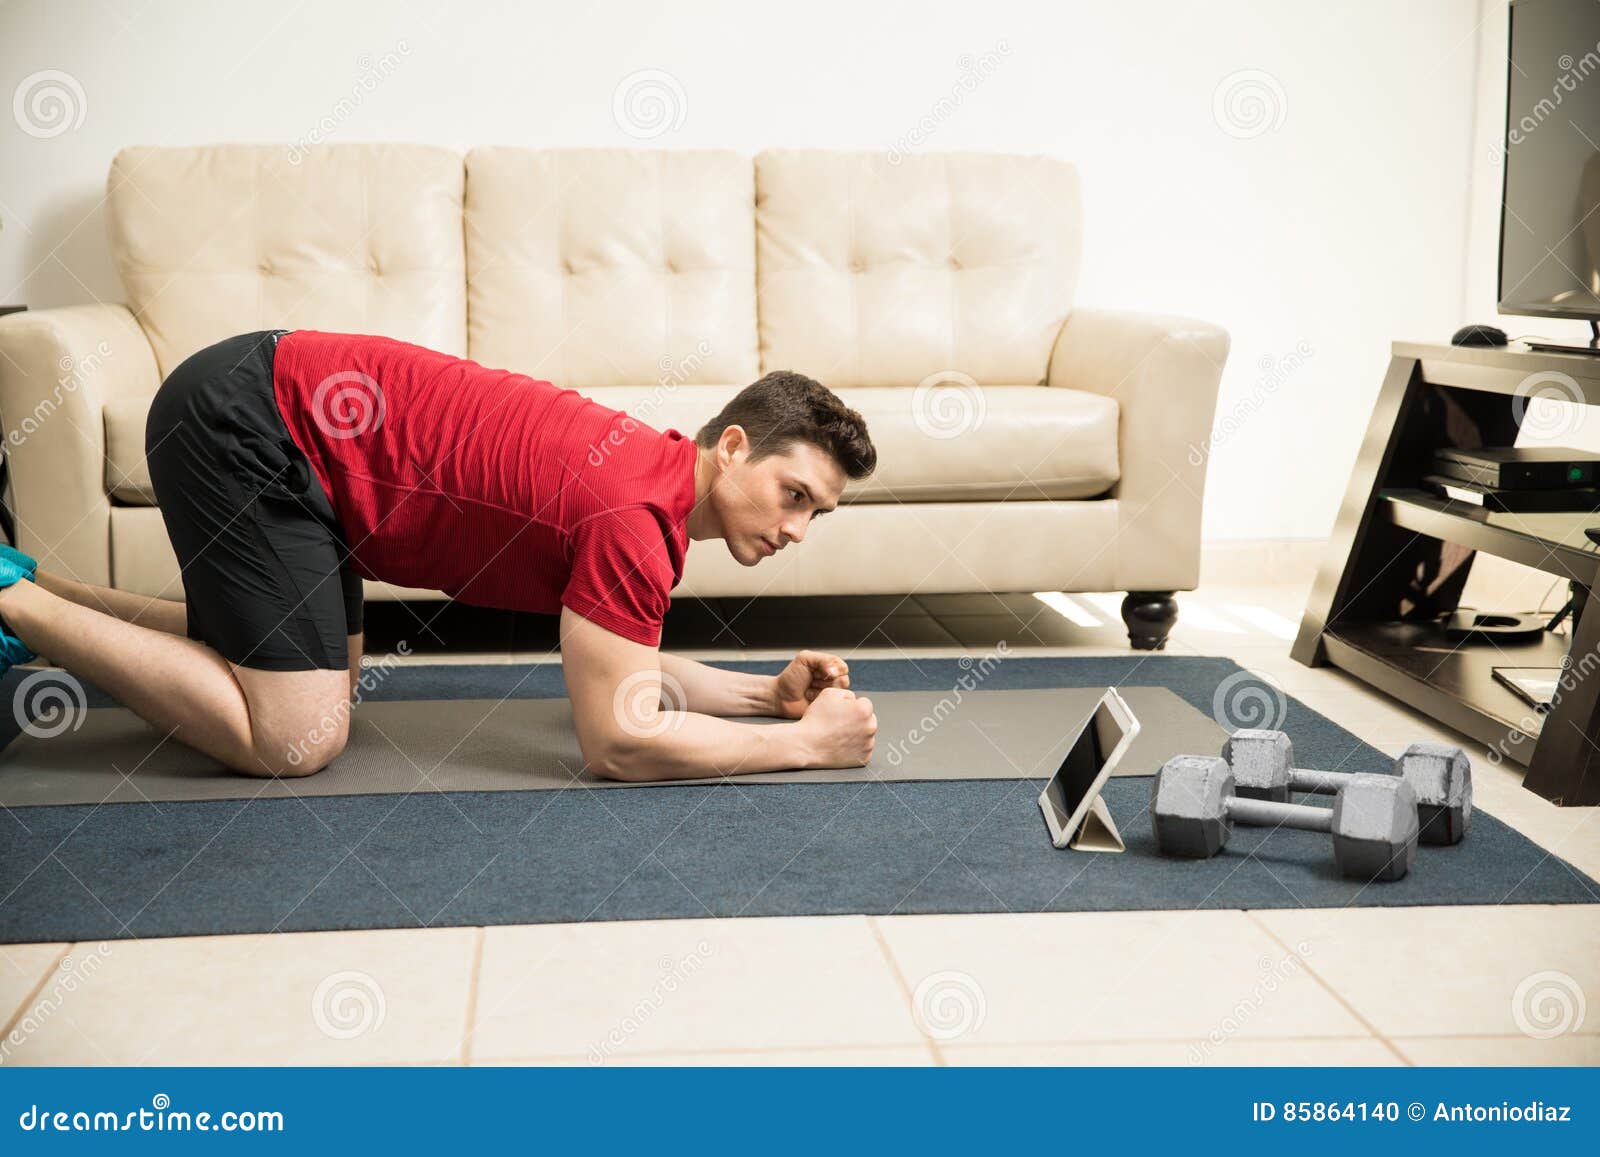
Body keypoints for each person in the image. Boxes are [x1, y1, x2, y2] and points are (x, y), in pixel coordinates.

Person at [0, 329, 880, 782]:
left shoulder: (648, 482)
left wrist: (769, 694)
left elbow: (627, 671)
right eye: (794, 493)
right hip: (253, 418)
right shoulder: (631, 513)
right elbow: (619, 740)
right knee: (298, 734)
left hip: (289, 428)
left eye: (820, 514)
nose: (797, 527)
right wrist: (803, 746)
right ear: (732, 449)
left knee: (321, 680)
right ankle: (10, 601)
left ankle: (37, 591)